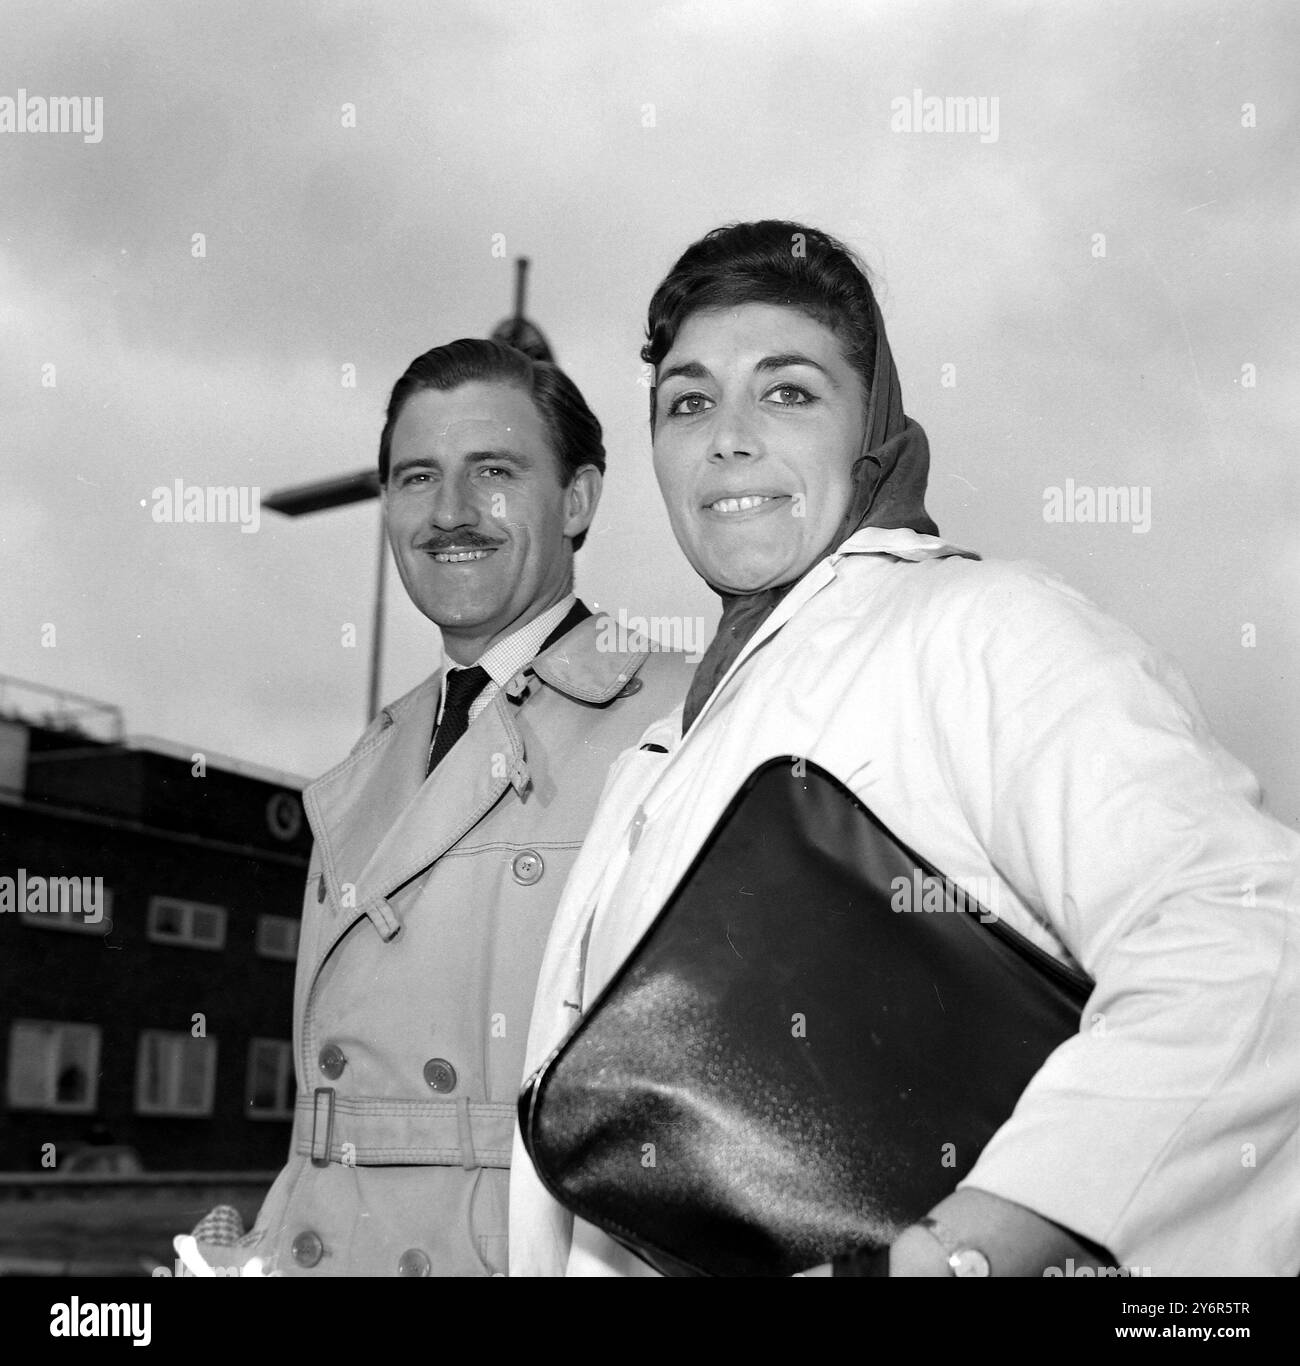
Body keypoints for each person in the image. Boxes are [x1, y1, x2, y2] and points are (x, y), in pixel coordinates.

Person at [509, 221, 1300, 1277]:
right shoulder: (658, 753)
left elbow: (1244, 943)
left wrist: (969, 1247)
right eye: (689, 402)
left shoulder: (982, 624)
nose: (728, 437)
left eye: (787, 391)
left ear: (871, 422)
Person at [234, 339, 691, 1275]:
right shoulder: (371, 760)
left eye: (493, 472)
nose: (449, 512)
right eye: (416, 478)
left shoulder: (682, 722)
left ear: (577, 501)